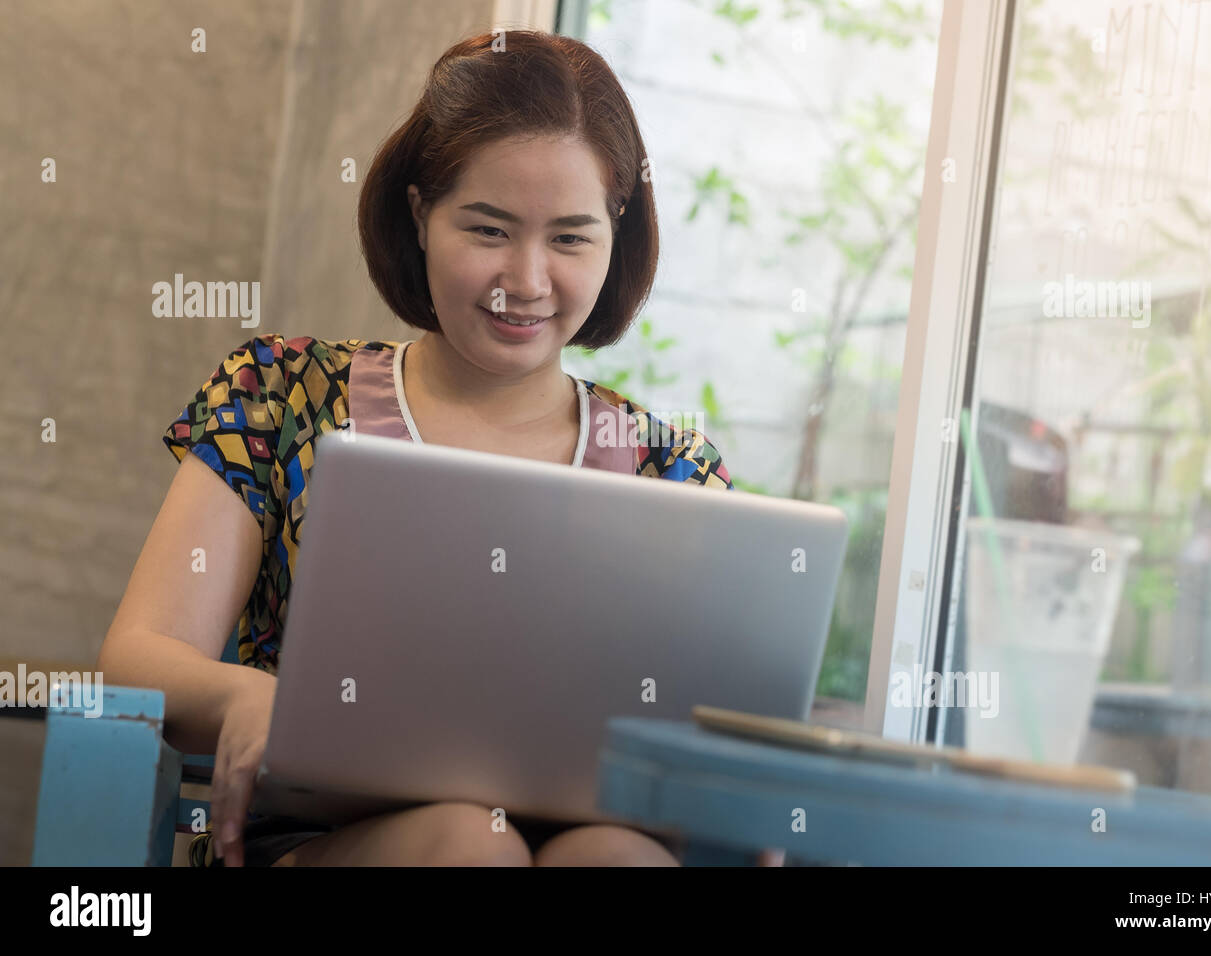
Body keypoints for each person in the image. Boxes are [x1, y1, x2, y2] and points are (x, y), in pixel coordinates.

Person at [97, 28, 768, 867]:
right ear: (420, 214)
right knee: (467, 845)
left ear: (618, 228)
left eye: (569, 238)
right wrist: (248, 698)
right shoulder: (279, 395)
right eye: (488, 230)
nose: (525, 280)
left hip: (579, 841)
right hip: (312, 839)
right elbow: (139, 654)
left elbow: (728, 729)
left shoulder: (673, 473)